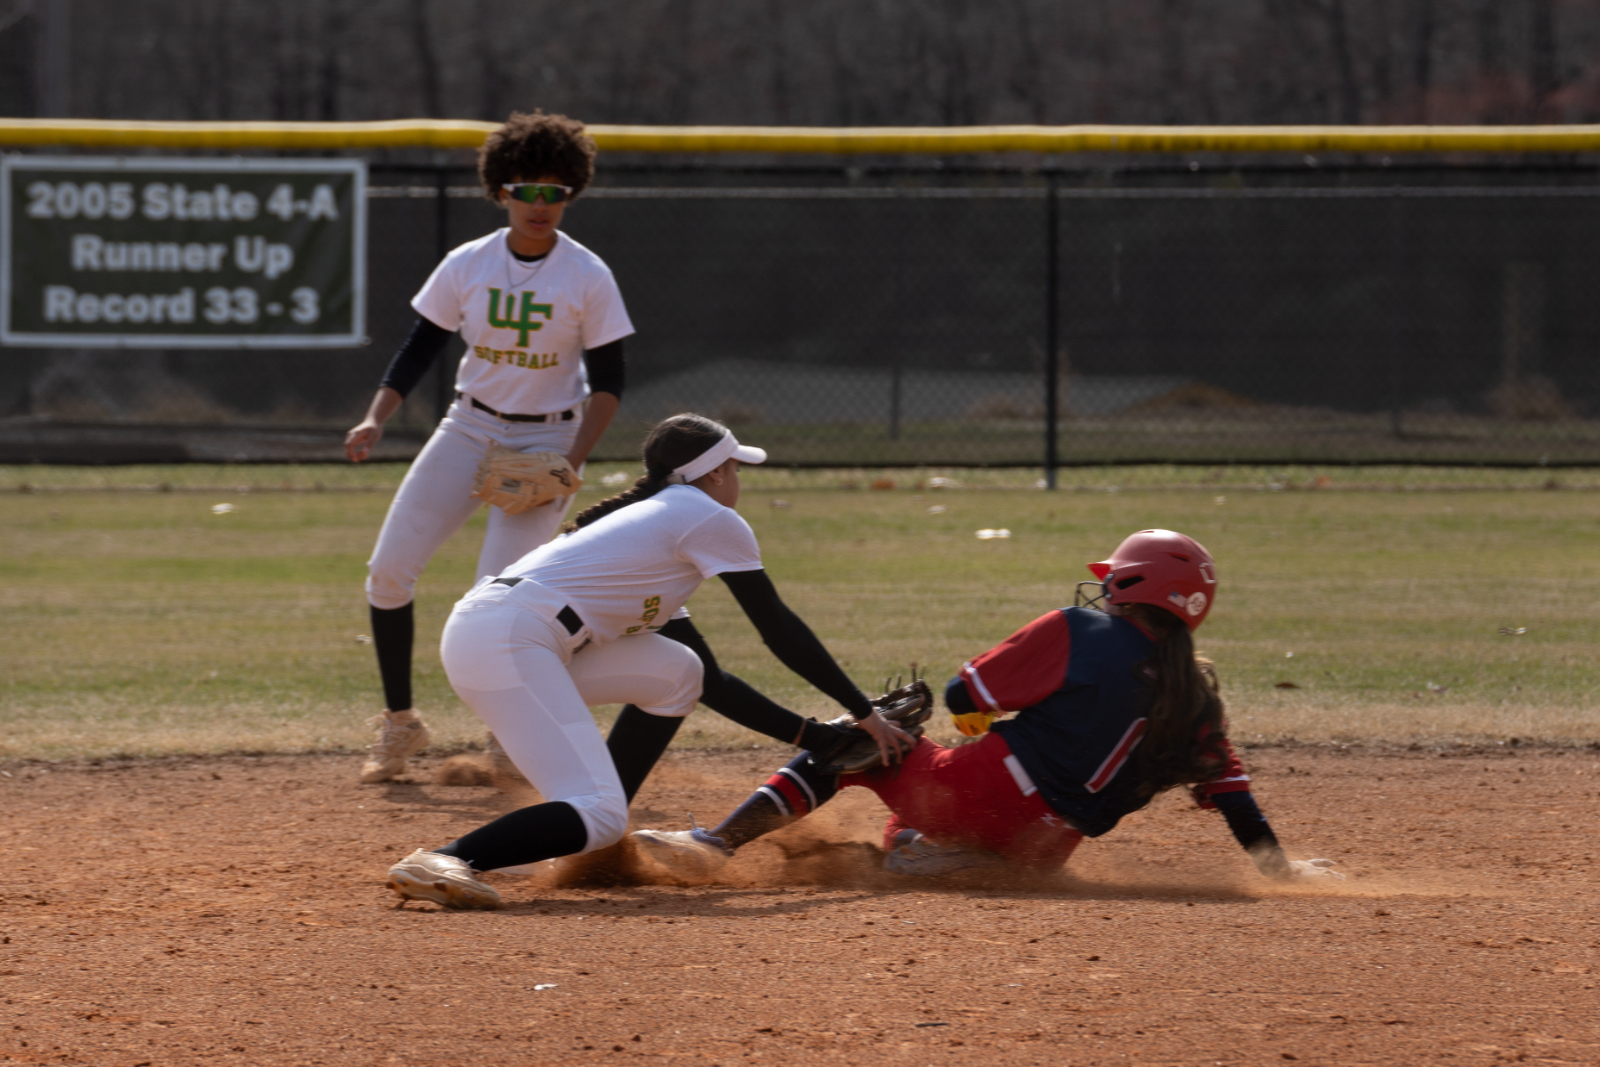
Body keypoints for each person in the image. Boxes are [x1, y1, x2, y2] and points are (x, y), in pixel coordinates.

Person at [384, 414, 912, 910]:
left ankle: (588, 843)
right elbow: (779, 629)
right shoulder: (706, 516)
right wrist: (861, 713)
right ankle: (448, 858)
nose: (738, 481)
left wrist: (819, 738)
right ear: (718, 473)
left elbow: (709, 681)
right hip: (508, 639)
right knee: (600, 811)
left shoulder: (656, 531)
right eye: (735, 469)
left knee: (677, 674)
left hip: (509, 633)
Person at [630, 529, 1343, 885]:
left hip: (980, 798)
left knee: (877, 731)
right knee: (930, 789)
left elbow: (962, 695)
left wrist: (970, 718)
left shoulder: (1081, 629)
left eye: (1116, 581)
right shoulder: (1200, 700)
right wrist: (1283, 872)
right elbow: (1234, 796)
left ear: (1133, 583)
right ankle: (932, 855)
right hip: (1043, 850)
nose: (1107, 591)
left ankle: (714, 846)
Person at [344, 111, 634, 784]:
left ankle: (510, 735)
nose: (540, 204)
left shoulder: (587, 274)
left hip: (546, 437)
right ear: (501, 190)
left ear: (573, 194)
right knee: (388, 571)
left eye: (555, 191)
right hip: (468, 426)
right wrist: (375, 417)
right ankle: (400, 723)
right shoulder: (469, 262)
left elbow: (611, 383)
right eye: (526, 189)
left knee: (495, 599)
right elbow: (421, 345)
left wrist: (573, 460)